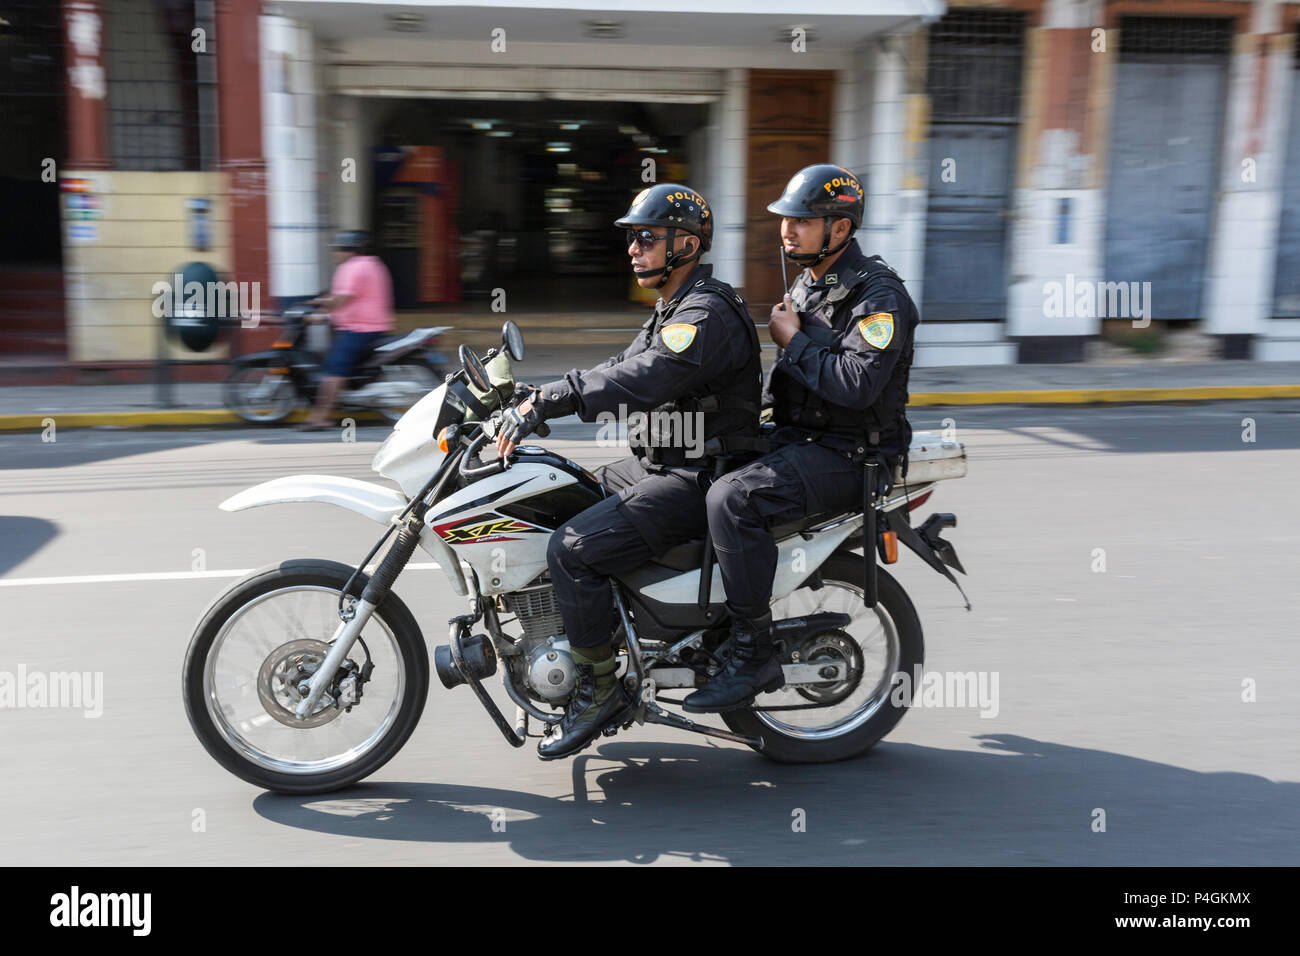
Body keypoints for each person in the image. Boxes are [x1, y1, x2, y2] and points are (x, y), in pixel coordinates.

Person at [494, 183, 763, 759]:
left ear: (685, 245)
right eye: (632, 239)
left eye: (646, 238)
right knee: (559, 493)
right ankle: (604, 630)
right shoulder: (675, 305)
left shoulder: (707, 312)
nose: (633, 249)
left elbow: (646, 379)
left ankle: (599, 688)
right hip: (656, 462)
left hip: (699, 476)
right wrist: (534, 394)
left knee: (571, 547)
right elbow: (621, 366)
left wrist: (551, 402)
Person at [682, 163, 920, 714]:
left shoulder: (879, 297)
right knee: (696, 467)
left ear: (840, 228)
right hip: (800, 438)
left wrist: (791, 340)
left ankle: (751, 650)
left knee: (734, 498)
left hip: (853, 452)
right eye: (786, 219)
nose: (787, 230)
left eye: (803, 220)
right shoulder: (809, 284)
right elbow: (789, 387)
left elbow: (858, 385)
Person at [300, 230, 395, 430]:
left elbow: (343, 299)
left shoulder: (353, 267)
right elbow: (351, 295)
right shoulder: (373, 264)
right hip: (374, 326)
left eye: (339, 250)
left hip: (360, 329)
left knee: (333, 371)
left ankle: (320, 417)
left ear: (349, 250)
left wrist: (319, 314)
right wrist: (320, 301)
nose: (336, 254)